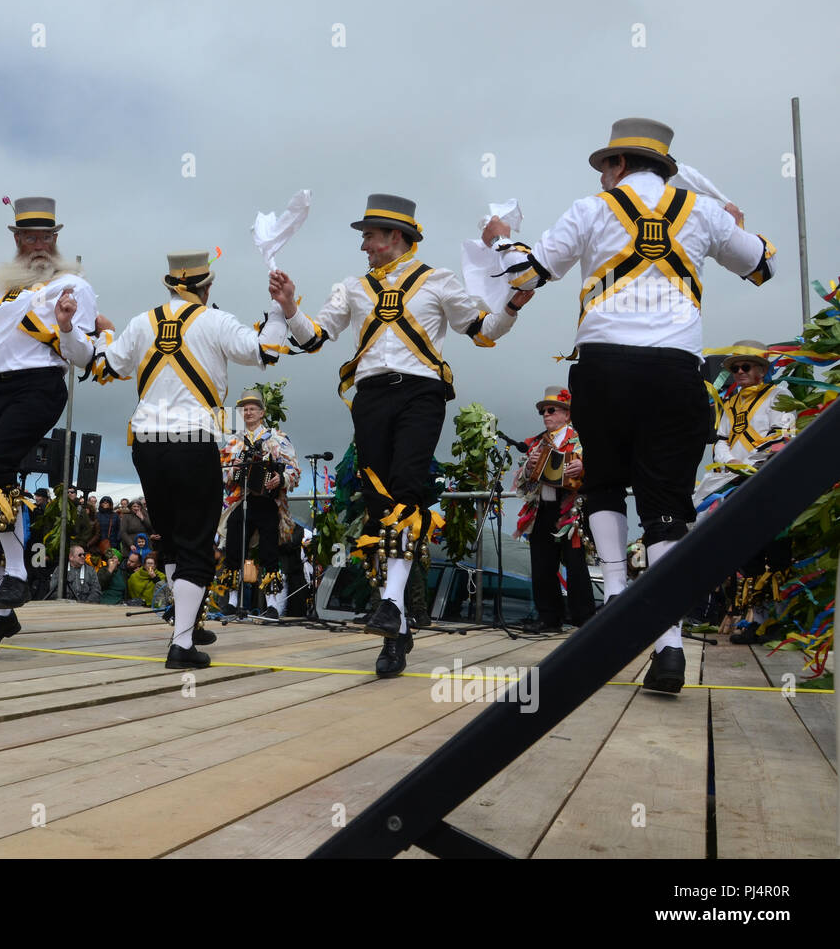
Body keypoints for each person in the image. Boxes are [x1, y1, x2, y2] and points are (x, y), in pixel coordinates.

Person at [483, 118, 778, 693]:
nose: (601, 176)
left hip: (604, 367)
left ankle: (616, 596)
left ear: (618, 165)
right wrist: (741, 226)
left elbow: (524, 272)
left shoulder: (591, 210)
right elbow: (762, 267)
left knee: (605, 484)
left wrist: (500, 236)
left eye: (604, 167)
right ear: (663, 167)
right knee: (666, 504)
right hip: (674, 369)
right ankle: (668, 645)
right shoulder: (702, 211)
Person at [273, 194, 523, 677]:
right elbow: (314, 338)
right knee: (378, 504)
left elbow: (484, 330)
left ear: (395, 237)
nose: (364, 245)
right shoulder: (352, 288)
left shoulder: (437, 281)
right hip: (370, 397)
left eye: (369, 235)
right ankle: (397, 625)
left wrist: (513, 302)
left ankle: (390, 603)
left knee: (407, 487)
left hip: (421, 395)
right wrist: (287, 307)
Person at [54, 249, 295, 669]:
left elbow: (97, 364)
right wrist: (278, 309)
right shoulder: (216, 321)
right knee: (197, 541)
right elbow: (267, 351)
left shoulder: (142, 323)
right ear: (207, 286)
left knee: (168, 536)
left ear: (170, 285)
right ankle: (182, 643)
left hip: (147, 444)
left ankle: (187, 621)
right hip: (192, 441)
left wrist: (69, 329)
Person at [0, 197, 104, 656]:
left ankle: (19, 575)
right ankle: (1, 616)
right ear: (17, 239)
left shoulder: (72, 287)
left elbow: (82, 354)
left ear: (57, 240)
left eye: (47, 237)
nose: (39, 245)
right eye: (30, 236)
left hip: (41, 386)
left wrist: (65, 327)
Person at [694, 340, 795, 644]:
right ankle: (755, 620)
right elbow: (722, 438)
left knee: (776, 552)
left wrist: (750, 463)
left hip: (769, 480)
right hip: (736, 481)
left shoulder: (779, 395)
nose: (739, 371)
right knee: (748, 553)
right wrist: (730, 462)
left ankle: (779, 619)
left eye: (745, 366)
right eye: (735, 368)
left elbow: (784, 435)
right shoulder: (731, 403)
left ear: (762, 369)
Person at [512, 386, 595, 633]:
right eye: (543, 412)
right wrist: (529, 467)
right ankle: (549, 617)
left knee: (576, 564)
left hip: (571, 510)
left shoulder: (581, 439)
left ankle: (585, 619)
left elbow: (596, 469)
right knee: (542, 564)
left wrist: (581, 468)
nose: (546, 415)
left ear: (567, 415)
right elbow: (521, 483)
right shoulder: (537, 443)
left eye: (551, 410)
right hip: (542, 509)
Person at [218, 388, 301, 620]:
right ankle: (233, 603)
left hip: (267, 502)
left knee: (269, 552)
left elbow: (293, 469)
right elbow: (222, 472)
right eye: (244, 409)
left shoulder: (278, 439)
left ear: (262, 412)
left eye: (253, 408)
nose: (248, 412)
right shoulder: (234, 441)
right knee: (233, 549)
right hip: (241, 501)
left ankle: (273, 605)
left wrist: (280, 478)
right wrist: (232, 472)